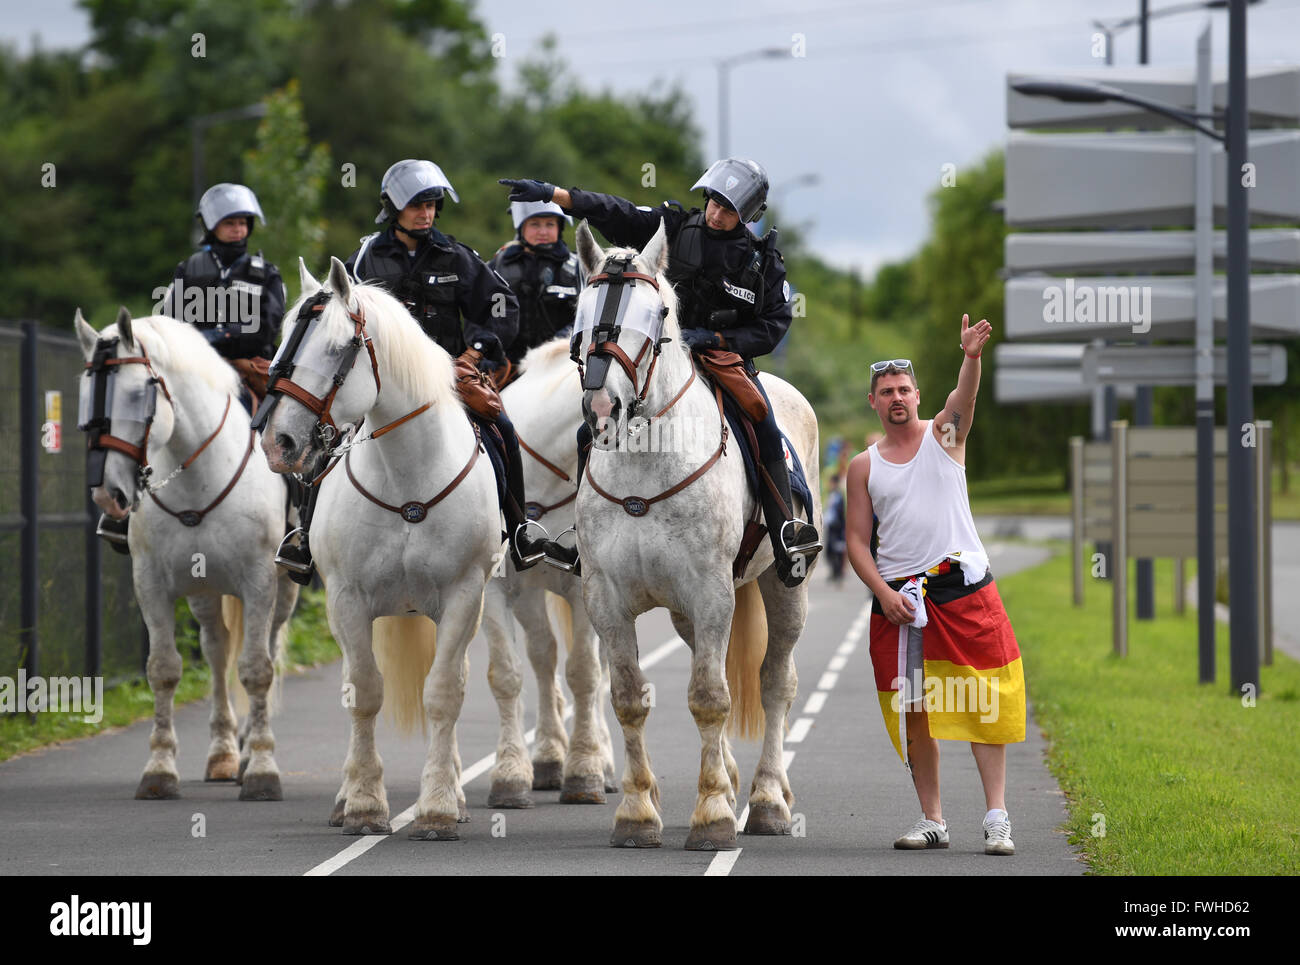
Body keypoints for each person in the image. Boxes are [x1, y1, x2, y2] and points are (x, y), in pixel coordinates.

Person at [498, 158, 820, 587]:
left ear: (748, 216)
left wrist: (721, 340)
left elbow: (774, 325)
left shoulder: (763, 263)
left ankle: (784, 530)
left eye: (728, 210)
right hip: (658, 355)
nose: (716, 213)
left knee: (762, 416)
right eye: (713, 203)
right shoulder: (673, 226)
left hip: (721, 359)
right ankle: (583, 536)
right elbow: (618, 212)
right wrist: (557, 195)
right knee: (590, 427)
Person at [273, 159, 546, 583]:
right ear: (393, 208)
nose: (427, 213)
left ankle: (518, 531)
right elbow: (332, 315)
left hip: (445, 378)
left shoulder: (458, 256)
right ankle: (306, 538)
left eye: (433, 204)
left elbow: (499, 306)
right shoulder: (365, 256)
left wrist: (474, 353)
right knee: (324, 437)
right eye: (417, 205)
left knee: (502, 427)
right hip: (378, 382)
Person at [844, 316, 1026, 856]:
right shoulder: (862, 466)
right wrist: (882, 593)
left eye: (904, 389)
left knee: (981, 702)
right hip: (902, 604)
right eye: (886, 392)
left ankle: (997, 818)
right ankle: (933, 820)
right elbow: (857, 541)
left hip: (963, 592)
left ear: (918, 396)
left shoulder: (945, 436)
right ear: (872, 402)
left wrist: (970, 357)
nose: (896, 398)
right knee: (916, 712)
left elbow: (963, 401)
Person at [98, 183, 286, 552]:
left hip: (251, 367)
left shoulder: (266, 273)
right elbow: (171, 327)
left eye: (243, 222)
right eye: (229, 222)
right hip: (196, 374)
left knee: (286, 428)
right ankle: (130, 513)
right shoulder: (187, 271)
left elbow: (267, 327)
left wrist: (211, 339)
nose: (238, 229)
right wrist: (218, 340)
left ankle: (298, 518)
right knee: (153, 423)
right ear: (211, 225)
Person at [488, 200, 584, 376]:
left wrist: (556, 345)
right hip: (505, 367)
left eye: (550, 224)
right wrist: (488, 352)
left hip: (559, 366)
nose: (543, 231)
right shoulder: (498, 266)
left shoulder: (579, 269)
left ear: (559, 227)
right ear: (521, 227)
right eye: (535, 224)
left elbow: (586, 316)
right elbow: (484, 315)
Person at [824, 474, 847, 585]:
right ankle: (834, 572)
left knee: (837, 551)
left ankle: (838, 573)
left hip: (837, 528)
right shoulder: (831, 495)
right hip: (831, 527)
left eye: (832, 482)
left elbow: (840, 513)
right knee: (829, 552)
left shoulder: (839, 496)